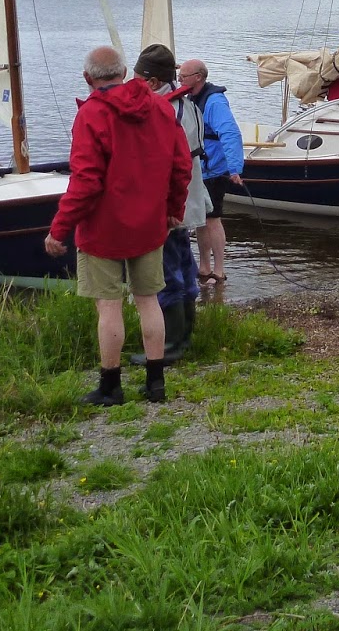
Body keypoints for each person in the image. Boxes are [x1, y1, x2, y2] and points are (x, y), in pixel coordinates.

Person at [45, 45, 191, 406]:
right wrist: (174, 208)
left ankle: (111, 386)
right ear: (125, 72)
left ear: (87, 78)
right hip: (149, 225)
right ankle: (155, 383)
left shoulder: (91, 114)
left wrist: (59, 228)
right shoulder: (160, 107)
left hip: (103, 229)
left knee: (108, 307)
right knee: (148, 301)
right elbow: (181, 165)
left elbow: (86, 181)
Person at [127, 43, 209, 364]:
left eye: (135, 80)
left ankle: (172, 343)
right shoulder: (187, 105)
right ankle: (185, 335)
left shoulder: (165, 110)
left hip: (172, 203)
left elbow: (160, 163)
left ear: (150, 81)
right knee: (184, 266)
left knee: (168, 271)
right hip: (188, 200)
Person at [179, 58, 245, 283]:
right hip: (200, 169)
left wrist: (235, 168)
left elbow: (230, 133)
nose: (179, 80)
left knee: (212, 219)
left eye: (184, 76)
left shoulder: (214, 101)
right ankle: (204, 266)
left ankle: (219, 269)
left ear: (198, 77)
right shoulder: (190, 98)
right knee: (200, 218)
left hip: (215, 170)